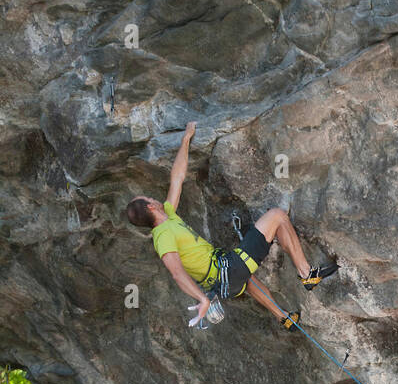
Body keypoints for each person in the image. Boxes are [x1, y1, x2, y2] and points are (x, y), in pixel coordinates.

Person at [125, 122, 337, 329]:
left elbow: (177, 178)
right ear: (151, 207)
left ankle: (283, 318)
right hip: (228, 271)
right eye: (150, 198)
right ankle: (307, 273)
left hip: (226, 282)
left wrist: (186, 139)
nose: (154, 198)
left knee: (248, 280)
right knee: (277, 216)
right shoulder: (162, 236)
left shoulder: (169, 215)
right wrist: (201, 299)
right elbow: (177, 273)